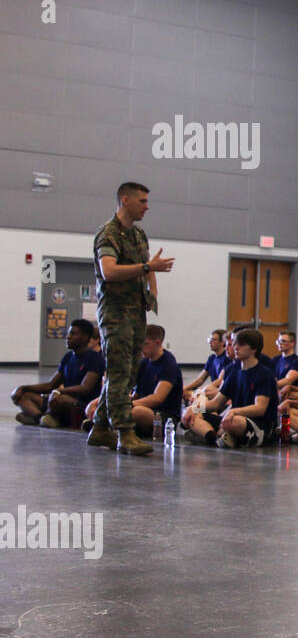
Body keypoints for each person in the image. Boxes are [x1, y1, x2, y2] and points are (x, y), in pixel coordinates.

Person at [87, 182, 174, 455]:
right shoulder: (108, 234)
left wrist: (152, 292)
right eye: (142, 201)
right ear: (125, 200)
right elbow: (109, 271)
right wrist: (148, 267)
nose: (147, 207)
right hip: (115, 313)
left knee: (126, 373)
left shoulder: (138, 234)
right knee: (118, 373)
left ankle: (100, 428)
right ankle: (125, 433)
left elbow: (148, 268)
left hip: (136, 312)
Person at [185, 329, 278, 448]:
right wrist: (193, 408)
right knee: (191, 416)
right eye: (235, 343)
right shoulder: (234, 373)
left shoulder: (264, 374)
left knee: (236, 421)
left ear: (253, 349)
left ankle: (214, 435)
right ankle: (215, 439)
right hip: (231, 418)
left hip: (258, 424)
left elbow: (260, 408)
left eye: (241, 344)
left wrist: (233, 411)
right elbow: (216, 403)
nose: (235, 347)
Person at [12, 318, 105, 428]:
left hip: (79, 403)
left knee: (61, 399)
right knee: (25, 396)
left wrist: (59, 391)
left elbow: (85, 388)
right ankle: (40, 418)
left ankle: (44, 417)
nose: (68, 337)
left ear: (85, 337)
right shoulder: (68, 357)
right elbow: (50, 385)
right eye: (69, 333)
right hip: (57, 398)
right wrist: (24, 388)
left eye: (73, 334)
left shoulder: (95, 358)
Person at [182, 329, 227, 402]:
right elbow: (200, 379)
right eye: (209, 339)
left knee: (202, 393)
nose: (210, 342)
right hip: (212, 389)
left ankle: (199, 411)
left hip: (221, 391)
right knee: (187, 392)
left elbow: (219, 381)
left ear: (222, 343)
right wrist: (185, 388)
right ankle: (197, 410)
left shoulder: (227, 358)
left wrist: (202, 391)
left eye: (213, 340)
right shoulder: (211, 358)